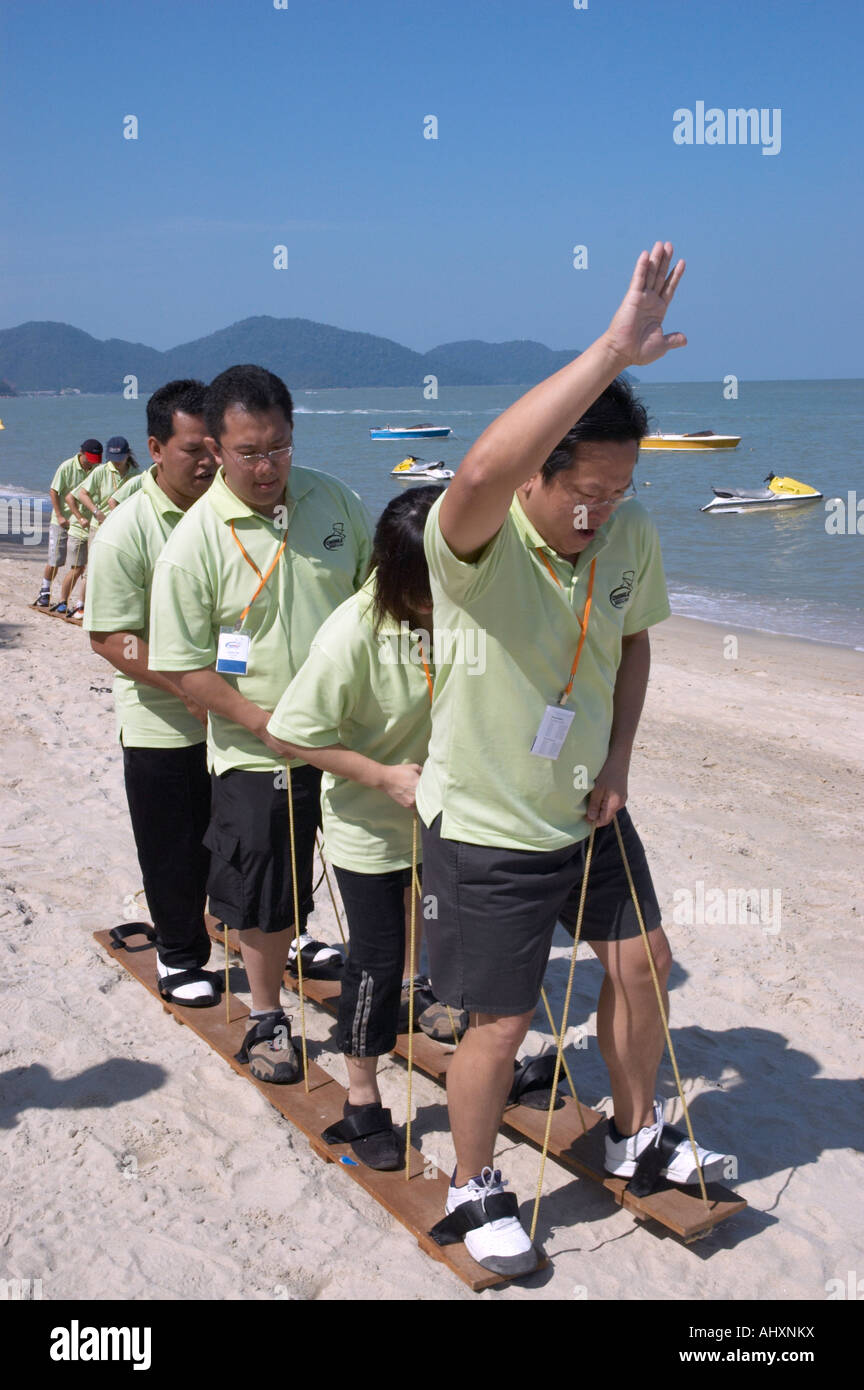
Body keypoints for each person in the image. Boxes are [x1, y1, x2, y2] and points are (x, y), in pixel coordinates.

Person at [417, 243, 732, 1276]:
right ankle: (471, 1185)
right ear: (541, 476)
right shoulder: (475, 542)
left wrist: (621, 762)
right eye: (585, 489)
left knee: (644, 964)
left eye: (622, 488)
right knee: (501, 1027)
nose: (602, 510)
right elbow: (477, 468)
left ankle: (638, 1128)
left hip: (590, 806)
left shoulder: (627, 532)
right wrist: (610, 349)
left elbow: (632, 641)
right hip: (491, 822)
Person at [149, 364, 373, 1082]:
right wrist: (260, 721)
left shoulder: (334, 503)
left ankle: (397, 985)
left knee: (380, 865)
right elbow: (184, 667)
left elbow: (379, 605)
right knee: (266, 891)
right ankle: (269, 1015)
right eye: (248, 452)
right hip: (257, 750)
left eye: (279, 447)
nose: (267, 465)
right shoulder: (194, 545)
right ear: (214, 447)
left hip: (350, 739)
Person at [264, 486, 467, 1168]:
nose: (441, 604)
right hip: (368, 828)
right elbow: (292, 734)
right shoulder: (351, 632)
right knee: (376, 964)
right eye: (427, 593)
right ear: (397, 578)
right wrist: (382, 776)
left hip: (441, 818)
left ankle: (421, 1004)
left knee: (436, 942)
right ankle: (360, 1102)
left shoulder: (464, 607)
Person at [84, 381, 220, 1004]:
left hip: (242, 713)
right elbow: (111, 637)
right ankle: (180, 954)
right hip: (164, 721)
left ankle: (271, 931)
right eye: (193, 449)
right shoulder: (125, 530)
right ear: (155, 449)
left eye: (216, 447)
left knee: (257, 838)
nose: (208, 462)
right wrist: (186, 686)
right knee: (174, 847)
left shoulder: (232, 508)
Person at [66, 437, 142, 621]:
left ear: (127, 455)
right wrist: (96, 511)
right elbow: (81, 494)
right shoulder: (101, 471)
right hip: (98, 526)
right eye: (113, 457)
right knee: (92, 567)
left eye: (120, 457)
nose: (116, 461)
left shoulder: (136, 474)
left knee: (119, 567)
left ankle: (111, 606)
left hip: (124, 528)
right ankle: (80, 605)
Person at [34, 439, 102, 612]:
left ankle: (66, 599)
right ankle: (45, 591)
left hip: (83, 524)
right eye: (90, 458)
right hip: (62, 520)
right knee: (56, 559)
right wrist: (59, 515)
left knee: (78, 564)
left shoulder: (96, 470)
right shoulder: (67, 467)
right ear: (81, 454)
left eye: (96, 459)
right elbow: (54, 491)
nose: (92, 462)